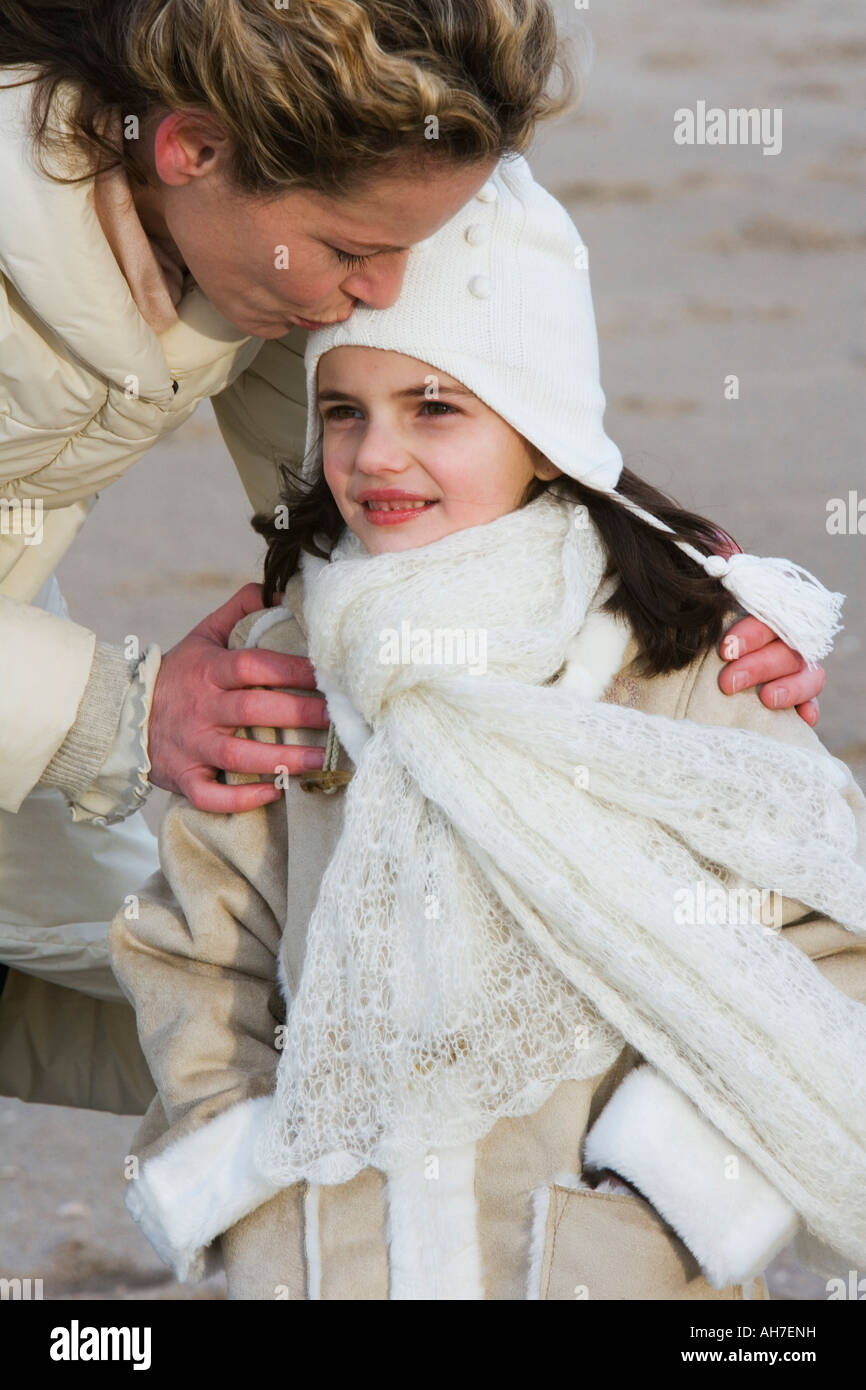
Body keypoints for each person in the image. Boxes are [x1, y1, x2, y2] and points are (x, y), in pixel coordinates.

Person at [111, 156, 866, 1301]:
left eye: (436, 407)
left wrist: (665, 1207)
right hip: (332, 1266)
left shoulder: (675, 664)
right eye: (343, 411)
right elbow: (196, 950)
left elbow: (822, 940)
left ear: (542, 430)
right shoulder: (288, 668)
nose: (376, 456)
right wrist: (241, 1183)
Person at [0, 0, 625, 1111]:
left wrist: (652, 601)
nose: (381, 291)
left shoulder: (266, 233)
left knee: (146, 987)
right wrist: (120, 710)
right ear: (192, 148)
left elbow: (421, 491)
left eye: (407, 251)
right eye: (353, 253)